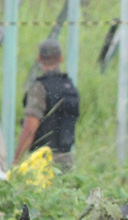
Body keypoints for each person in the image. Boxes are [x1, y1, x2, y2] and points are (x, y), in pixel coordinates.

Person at [15, 39, 80, 171]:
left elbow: (30, 127)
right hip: (67, 160)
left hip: (43, 160)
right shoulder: (70, 87)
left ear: (39, 59)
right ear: (60, 58)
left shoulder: (39, 87)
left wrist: (16, 159)